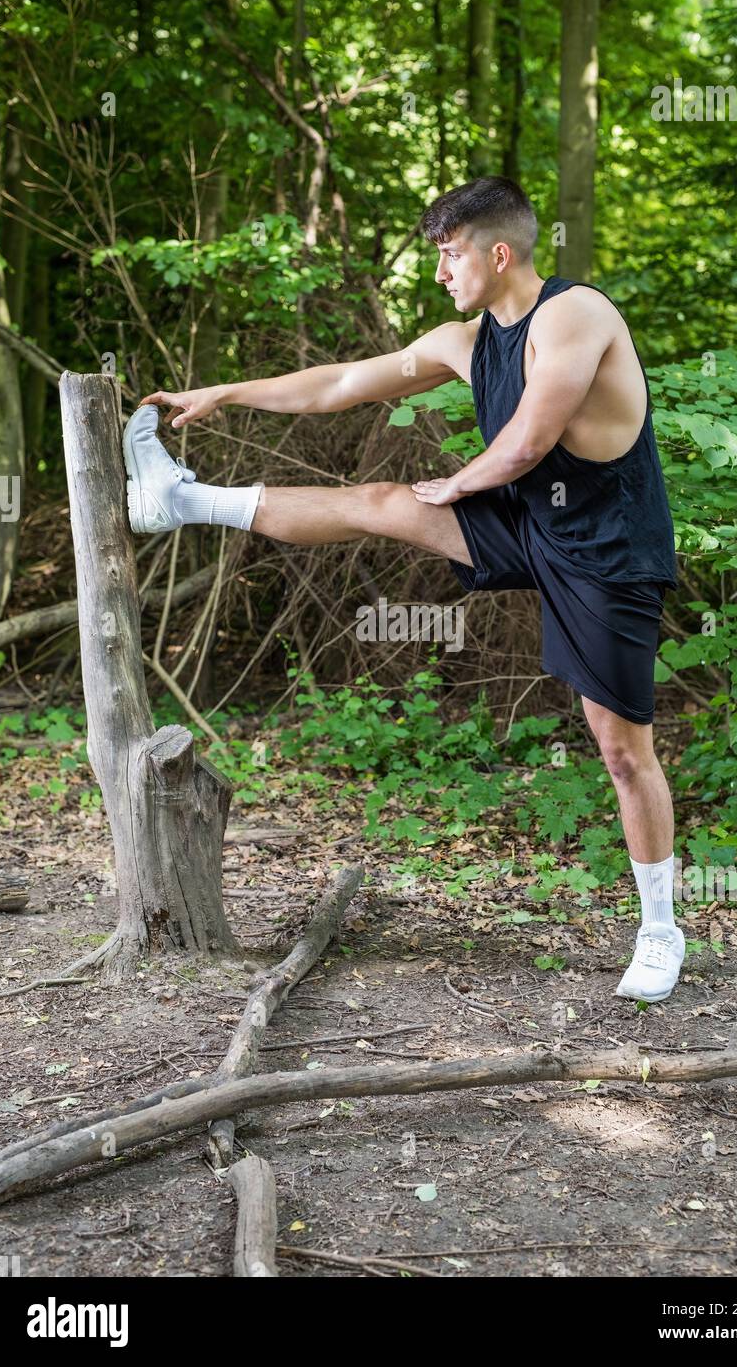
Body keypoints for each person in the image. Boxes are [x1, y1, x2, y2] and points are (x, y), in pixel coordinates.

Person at [126, 175, 685, 1002]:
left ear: (500, 253)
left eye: (450, 254)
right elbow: (341, 385)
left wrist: (457, 485)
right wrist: (227, 394)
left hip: (608, 551)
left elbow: (530, 439)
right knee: (385, 502)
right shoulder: (463, 341)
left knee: (619, 750)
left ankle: (661, 931)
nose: (440, 272)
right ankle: (182, 500)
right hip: (531, 518)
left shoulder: (576, 315)